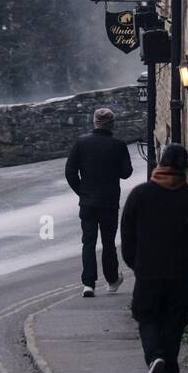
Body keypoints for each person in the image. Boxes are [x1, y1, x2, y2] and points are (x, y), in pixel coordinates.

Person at [120, 143, 188, 373]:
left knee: (146, 316)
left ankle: (155, 358)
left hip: (148, 270)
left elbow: (127, 233)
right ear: (185, 167)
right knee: (174, 322)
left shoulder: (140, 195)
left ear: (160, 163)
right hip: (182, 274)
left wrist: (134, 262)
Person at [64, 107, 133, 297]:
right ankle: (111, 280)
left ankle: (88, 284)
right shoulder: (118, 145)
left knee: (88, 241)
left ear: (94, 122)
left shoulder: (81, 143)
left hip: (88, 201)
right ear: (112, 124)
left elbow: (70, 171)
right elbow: (126, 173)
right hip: (109, 201)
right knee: (108, 242)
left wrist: (82, 192)